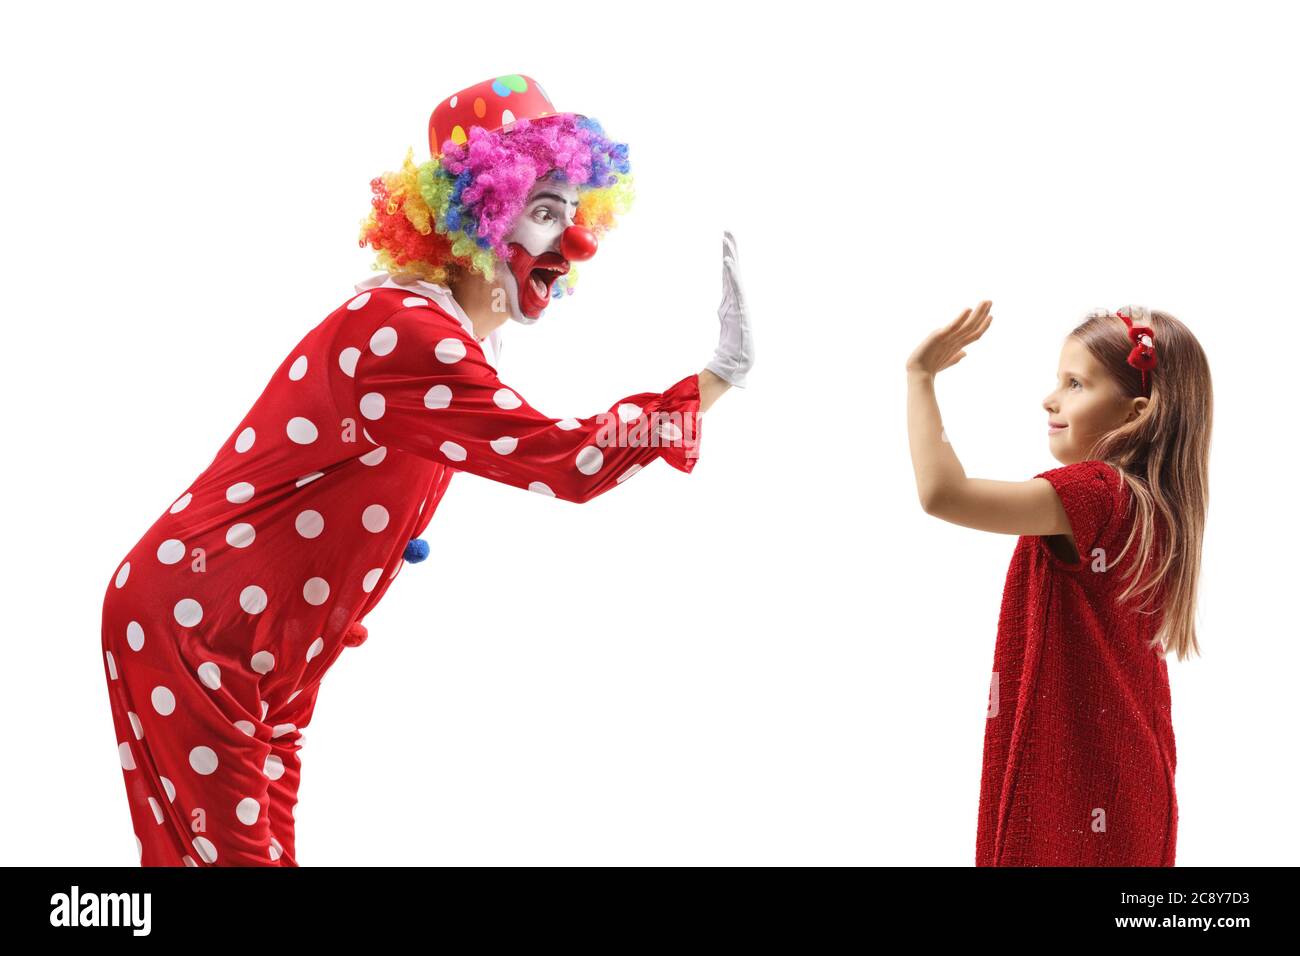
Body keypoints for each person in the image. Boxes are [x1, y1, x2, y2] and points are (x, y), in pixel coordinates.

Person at [100, 73, 754, 866]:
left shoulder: (436, 335)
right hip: (202, 631)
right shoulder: (402, 333)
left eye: (575, 216)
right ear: (473, 219)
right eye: (545, 212)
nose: (574, 245)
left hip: (271, 653)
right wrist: (713, 381)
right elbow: (567, 461)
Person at [905, 301, 1211, 866]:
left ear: (1135, 412)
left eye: (1075, 384)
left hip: (1077, 792)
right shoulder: (1156, 508)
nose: (1051, 399)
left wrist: (920, 378)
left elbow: (943, 494)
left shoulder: (1094, 492)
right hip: (1131, 783)